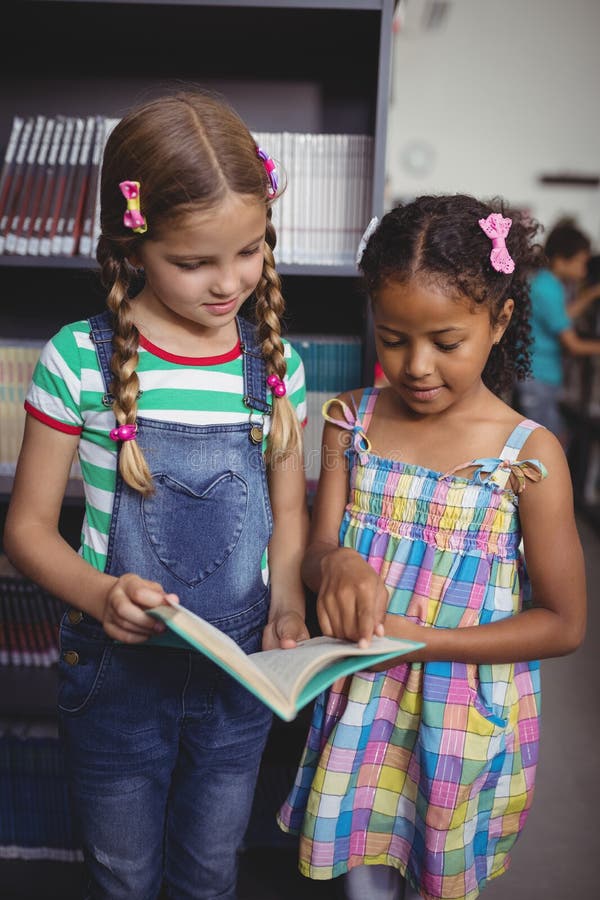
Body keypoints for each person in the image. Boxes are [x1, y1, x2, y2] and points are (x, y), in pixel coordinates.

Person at [3, 90, 310, 900]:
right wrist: (101, 593)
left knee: (210, 873)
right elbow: (28, 530)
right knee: (123, 874)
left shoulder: (277, 364)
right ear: (135, 246)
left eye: (249, 252)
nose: (229, 283)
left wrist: (285, 608)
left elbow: (290, 515)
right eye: (193, 262)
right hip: (116, 676)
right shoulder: (78, 359)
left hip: (237, 672)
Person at [277, 194, 587, 900]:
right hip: (363, 705)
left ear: (500, 319)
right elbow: (316, 546)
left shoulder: (527, 456)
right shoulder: (349, 419)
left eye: (445, 342)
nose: (415, 366)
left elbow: (564, 624)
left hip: (459, 717)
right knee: (363, 875)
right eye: (391, 338)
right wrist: (338, 562)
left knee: (437, 876)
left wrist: (425, 643)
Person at [515, 218, 600, 444]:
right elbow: (573, 344)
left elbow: (560, 316)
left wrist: (589, 296)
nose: (583, 270)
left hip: (536, 375)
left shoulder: (545, 282)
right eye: (581, 262)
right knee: (545, 441)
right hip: (538, 376)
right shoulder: (549, 289)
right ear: (562, 261)